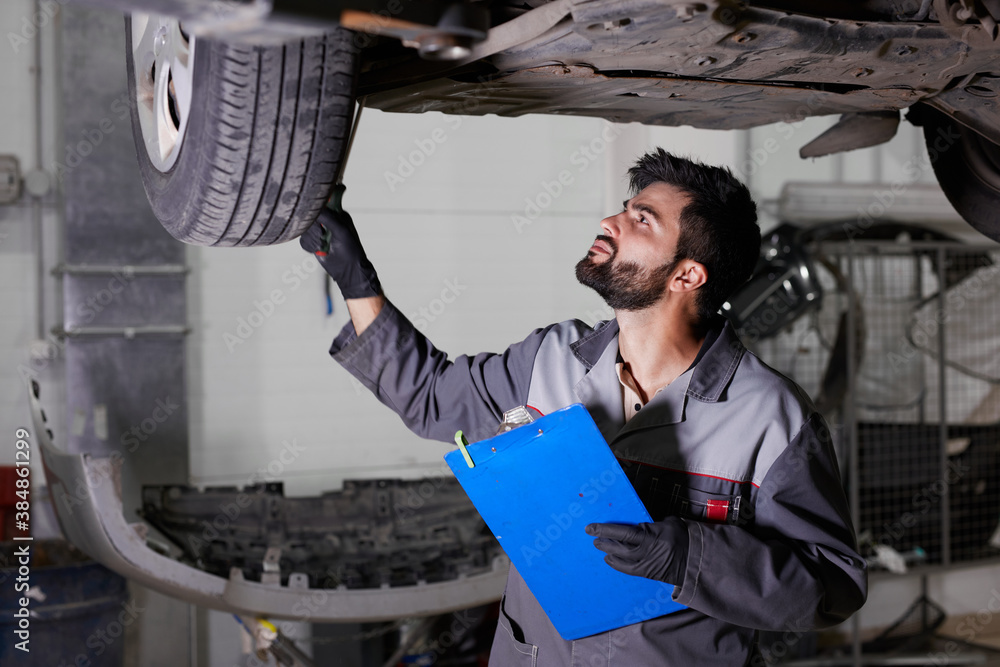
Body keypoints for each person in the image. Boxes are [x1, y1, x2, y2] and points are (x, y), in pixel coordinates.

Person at [301, 149, 867, 666]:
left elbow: (831, 588)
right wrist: (355, 277)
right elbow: (430, 397)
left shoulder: (771, 417)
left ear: (687, 274)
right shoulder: (551, 359)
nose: (609, 223)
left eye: (641, 218)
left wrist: (688, 556)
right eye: (625, 208)